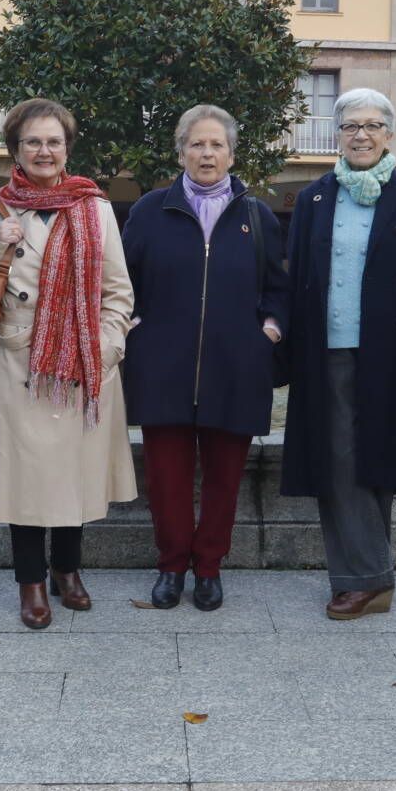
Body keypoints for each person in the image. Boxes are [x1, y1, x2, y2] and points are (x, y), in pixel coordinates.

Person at [0, 99, 136, 629]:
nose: (45, 151)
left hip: (81, 360)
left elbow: (118, 292)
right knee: (24, 478)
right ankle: (30, 580)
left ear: (67, 148)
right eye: (33, 142)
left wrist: (104, 346)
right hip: (15, 359)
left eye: (54, 141)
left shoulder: (94, 208)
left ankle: (68, 570)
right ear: (16, 150)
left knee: (73, 471)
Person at [282, 89, 396, 619]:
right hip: (327, 351)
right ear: (337, 135)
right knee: (337, 460)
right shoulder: (315, 198)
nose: (361, 134)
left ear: (389, 135)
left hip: (394, 355)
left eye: (372, 125)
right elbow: (297, 282)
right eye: (350, 125)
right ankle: (365, 577)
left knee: (377, 461)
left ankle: (365, 577)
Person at [122, 105, 288, 611]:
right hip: (163, 365)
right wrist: (132, 328)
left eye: (217, 145)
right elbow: (121, 283)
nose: (207, 153)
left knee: (224, 476)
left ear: (232, 154)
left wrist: (271, 331)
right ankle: (172, 566)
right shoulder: (150, 209)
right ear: (181, 152)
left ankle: (210, 567)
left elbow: (278, 289)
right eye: (197, 144)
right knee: (166, 477)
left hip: (237, 366)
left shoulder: (256, 216)